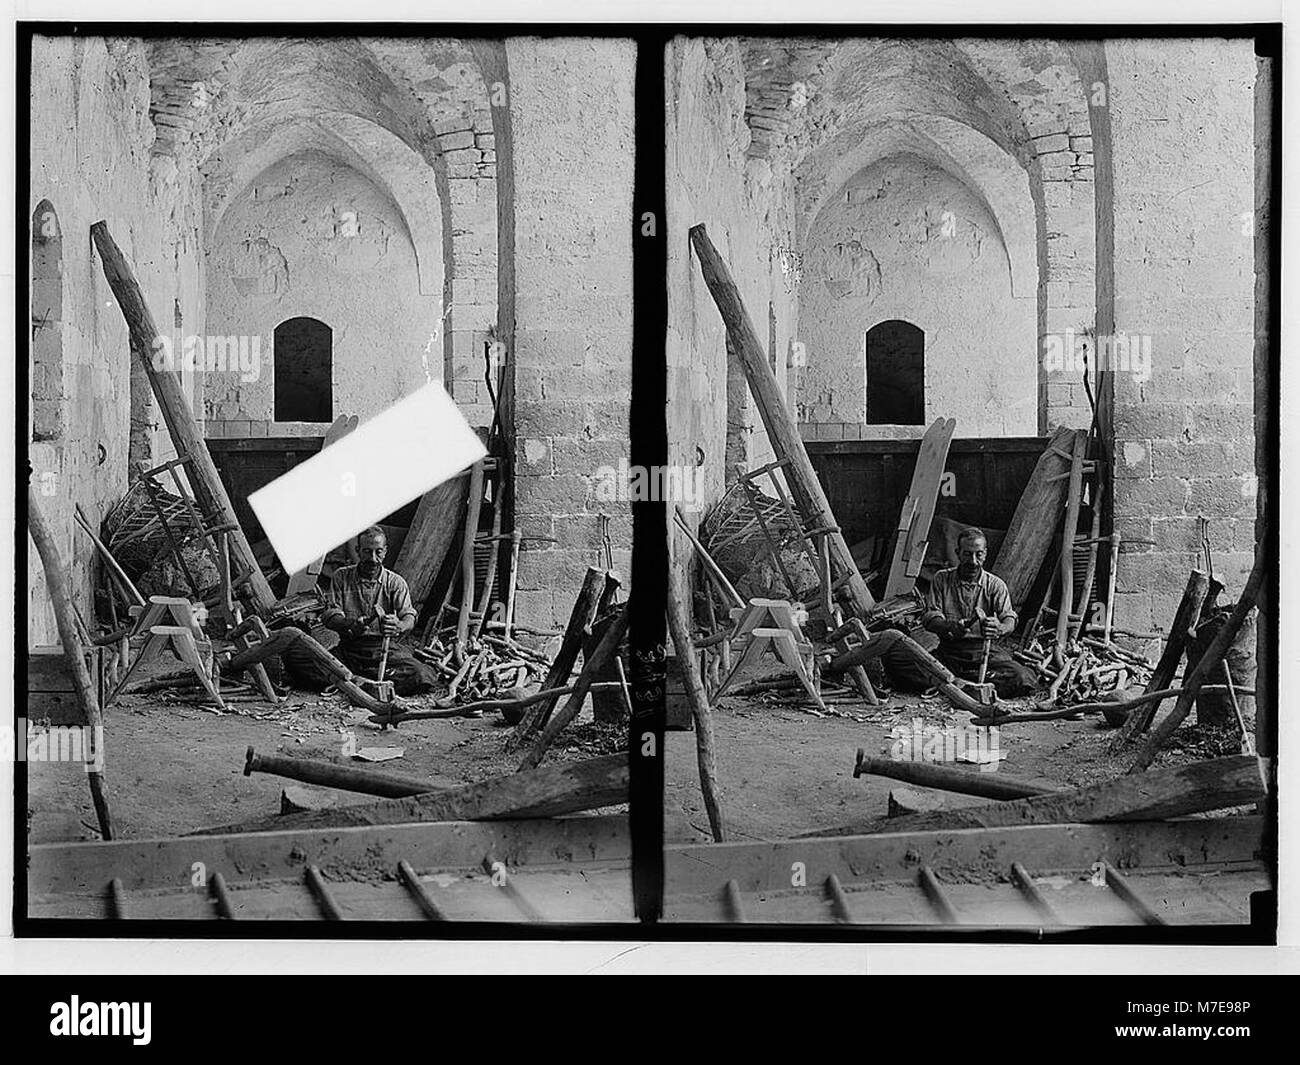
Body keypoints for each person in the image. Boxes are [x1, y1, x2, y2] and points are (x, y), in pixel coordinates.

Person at [881, 526, 1038, 698]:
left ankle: (952, 684)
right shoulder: (942, 579)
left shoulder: (995, 585)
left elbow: (1009, 618)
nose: (973, 561)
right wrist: (950, 626)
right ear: (958, 553)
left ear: (985, 554)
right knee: (895, 662)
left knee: (1024, 677)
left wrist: (1000, 628)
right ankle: (964, 685)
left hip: (984, 654)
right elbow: (930, 618)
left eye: (978, 554)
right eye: (967, 554)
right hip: (949, 653)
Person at [282, 526, 439, 696]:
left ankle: (349, 682)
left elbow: (409, 615)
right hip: (349, 650)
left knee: (423, 675)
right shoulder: (341, 577)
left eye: (378, 552)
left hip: (384, 651)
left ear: (385, 551)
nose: (372, 558)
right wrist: (349, 624)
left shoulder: (395, 582)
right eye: (367, 551)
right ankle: (363, 683)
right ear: (358, 551)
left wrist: (399, 626)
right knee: (295, 660)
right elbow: (330, 615)